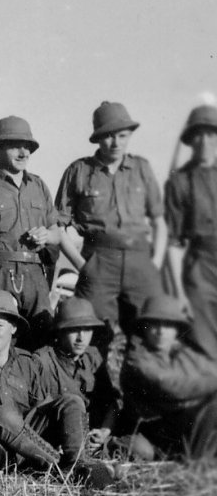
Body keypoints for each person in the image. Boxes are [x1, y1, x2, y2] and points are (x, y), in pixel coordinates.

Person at [0, 289, 114, 487]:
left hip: (19, 452)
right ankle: (60, 468)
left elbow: (44, 408)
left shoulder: (26, 362)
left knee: (72, 400)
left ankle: (82, 464)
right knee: (4, 415)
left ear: (13, 328)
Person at [55, 101, 167, 335]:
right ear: (97, 138)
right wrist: (82, 266)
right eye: (108, 136)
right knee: (93, 334)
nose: (116, 143)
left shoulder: (141, 168)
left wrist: (154, 264)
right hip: (98, 261)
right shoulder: (79, 171)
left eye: (122, 136)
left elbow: (159, 220)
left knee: (148, 333)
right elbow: (58, 226)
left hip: (141, 261)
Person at [0, 116, 60, 335]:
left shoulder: (39, 185)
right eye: (15, 146)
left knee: (40, 341)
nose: (23, 153)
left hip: (36, 275)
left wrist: (46, 235)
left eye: (27, 147)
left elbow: (56, 234)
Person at [119, 294, 217, 460]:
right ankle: (195, 462)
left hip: (184, 424)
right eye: (154, 324)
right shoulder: (137, 358)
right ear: (144, 326)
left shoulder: (182, 352)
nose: (161, 331)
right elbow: (170, 385)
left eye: (168, 325)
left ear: (177, 329)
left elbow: (210, 369)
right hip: (151, 428)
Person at [165, 104, 217, 358]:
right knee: (205, 345)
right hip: (200, 271)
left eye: (211, 134)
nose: (205, 141)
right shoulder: (180, 181)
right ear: (190, 140)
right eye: (199, 135)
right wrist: (179, 292)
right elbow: (174, 242)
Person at [33, 298, 117, 454]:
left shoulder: (93, 357)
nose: (81, 338)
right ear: (59, 331)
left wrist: (104, 433)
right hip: (56, 444)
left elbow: (111, 403)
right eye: (74, 329)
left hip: (91, 441)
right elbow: (35, 418)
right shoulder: (43, 361)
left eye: (87, 330)